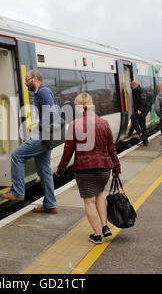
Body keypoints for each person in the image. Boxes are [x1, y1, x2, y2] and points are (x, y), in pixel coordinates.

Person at [56, 93, 121, 245]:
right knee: (99, 194)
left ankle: (97, 235)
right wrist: (116, 167)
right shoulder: (104, 123)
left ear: (78, 107)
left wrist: (60, 170)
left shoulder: (74, 125)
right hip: (104, 168)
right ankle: (105, 226)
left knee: (89, 201)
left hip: (84, 169)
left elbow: (67, 152)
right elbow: (112, 148)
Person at [2, 70, 58, 214]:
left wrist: (40, 128)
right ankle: (50, 205)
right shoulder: (40, 93)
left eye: (27, 80)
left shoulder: (43, 92)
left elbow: (52, 114)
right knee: (44, 169)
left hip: (42, 136)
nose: (25, 83)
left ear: (34, 79)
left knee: (17, 156)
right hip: (46, 137)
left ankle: (18, 192)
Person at [130, 81, 150, 146]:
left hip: (143, 110)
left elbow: (143, 100)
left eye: (131, 87)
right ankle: (145, 141)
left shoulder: (140, 91)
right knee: (142, 124)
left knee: (133, 117)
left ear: (133, 86)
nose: (131, 88)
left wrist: (140, 110)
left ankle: (139, 132)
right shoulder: (138, 90)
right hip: (143, 109)